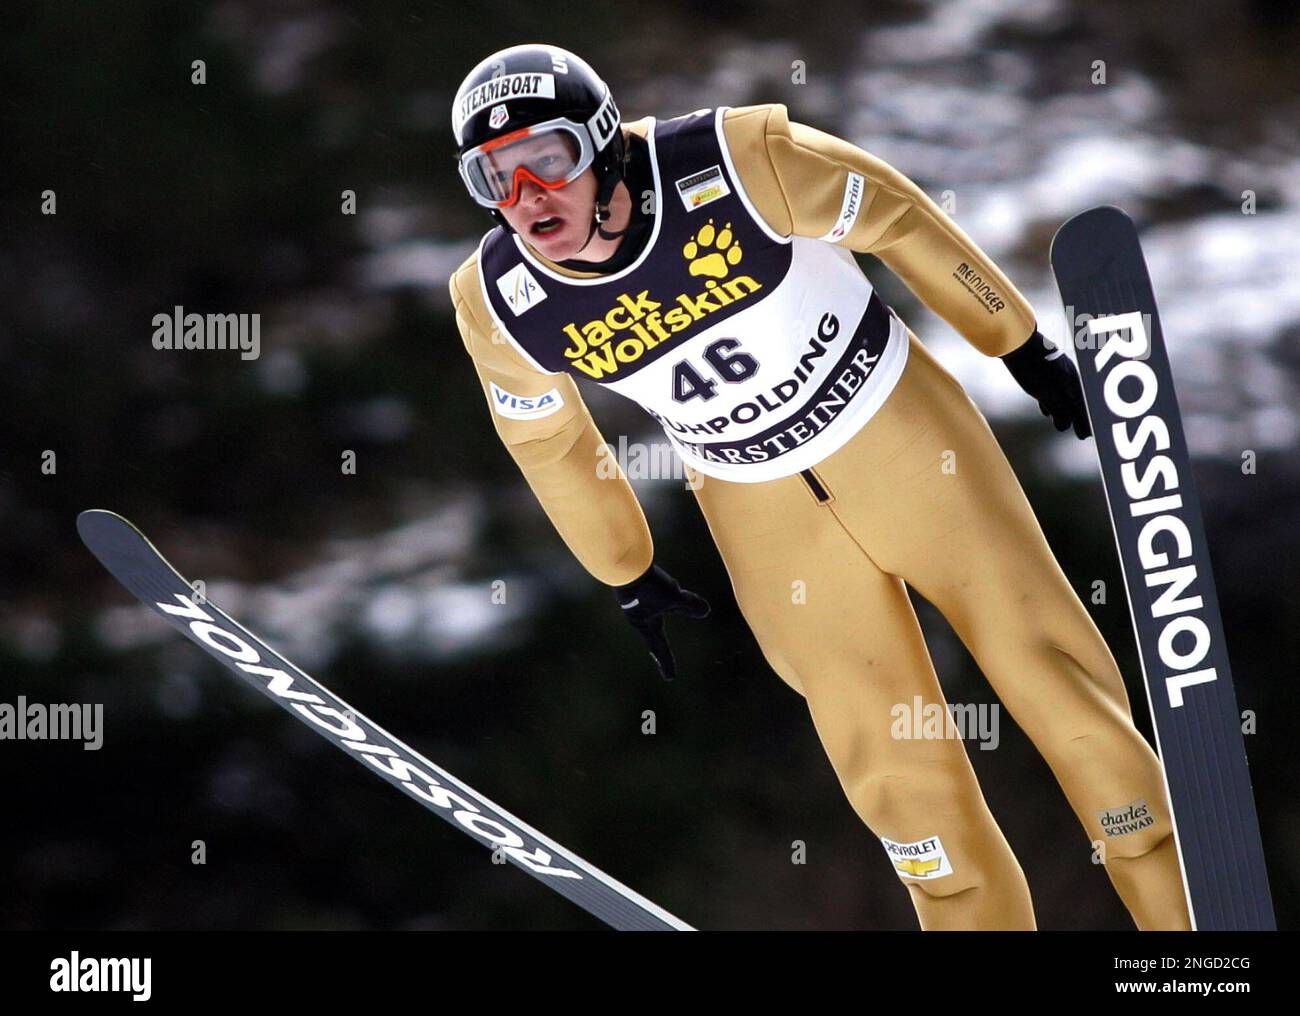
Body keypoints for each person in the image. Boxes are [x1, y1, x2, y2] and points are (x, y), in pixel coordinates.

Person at [446, 42, 1190, 931]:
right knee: (899, 786)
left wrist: (1018, 343)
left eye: (548, 161)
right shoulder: (498, 299)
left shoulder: (732, 160)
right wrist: (625, 567)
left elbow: (898, 218)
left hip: (900, 436)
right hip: (761, 511)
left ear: (603, 143)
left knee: (1056, 689)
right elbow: (548, 442)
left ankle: (1185, 938)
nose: (528, 201)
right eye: (494, 178)